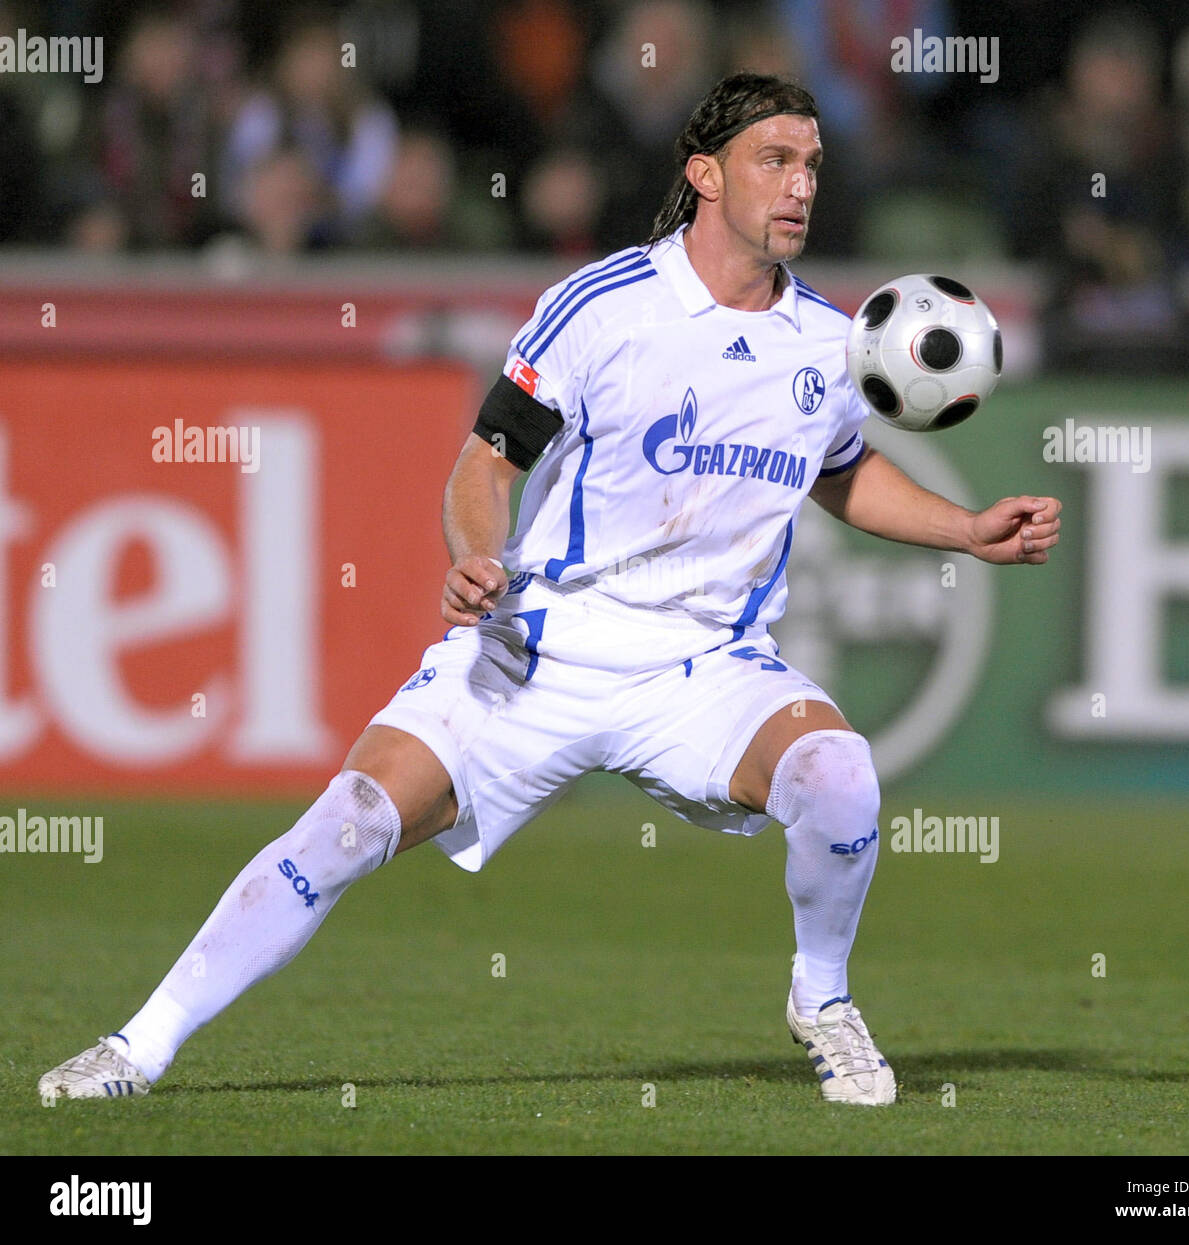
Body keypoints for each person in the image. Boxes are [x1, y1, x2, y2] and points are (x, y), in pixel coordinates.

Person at [40, 73, 1061, 1108]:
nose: (801, 186)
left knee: (839, 774)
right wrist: (478, 557)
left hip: (706, 667)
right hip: (543, 646)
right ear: (704, 174)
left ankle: (823, 1000)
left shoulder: (829, 343)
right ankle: (139, 1045)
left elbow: (839, 471)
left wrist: (964, 531)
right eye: (775, 160)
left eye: (811, 164)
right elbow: (489, 461)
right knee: (348, 824)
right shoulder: (603, 306)